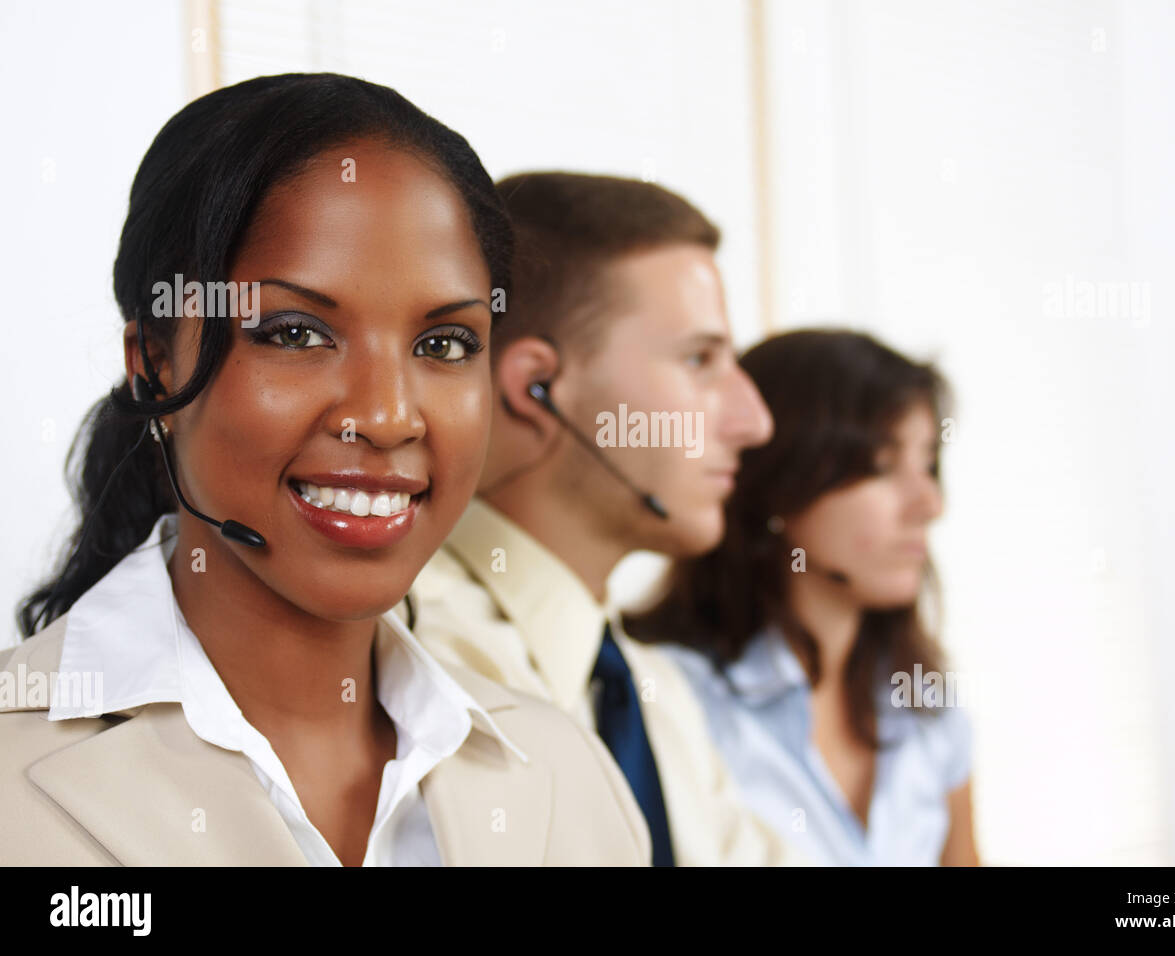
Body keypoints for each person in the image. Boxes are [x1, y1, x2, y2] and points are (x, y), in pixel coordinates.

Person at [2, 74, 648, 866]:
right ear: (155, 372)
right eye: (296, 333)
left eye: (444, 344)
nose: (385, 416)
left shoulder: (569, 779)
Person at [404, 171, 804, 866]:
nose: (755, 420)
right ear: (538, 389)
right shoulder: (404, 658)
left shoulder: (659, 695)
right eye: (700, 360)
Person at [625, 329, 980, 866]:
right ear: (780, 483)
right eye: (882, 468)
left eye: (928, 464)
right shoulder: (667, 701)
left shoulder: (924, 703)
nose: (929, 502)